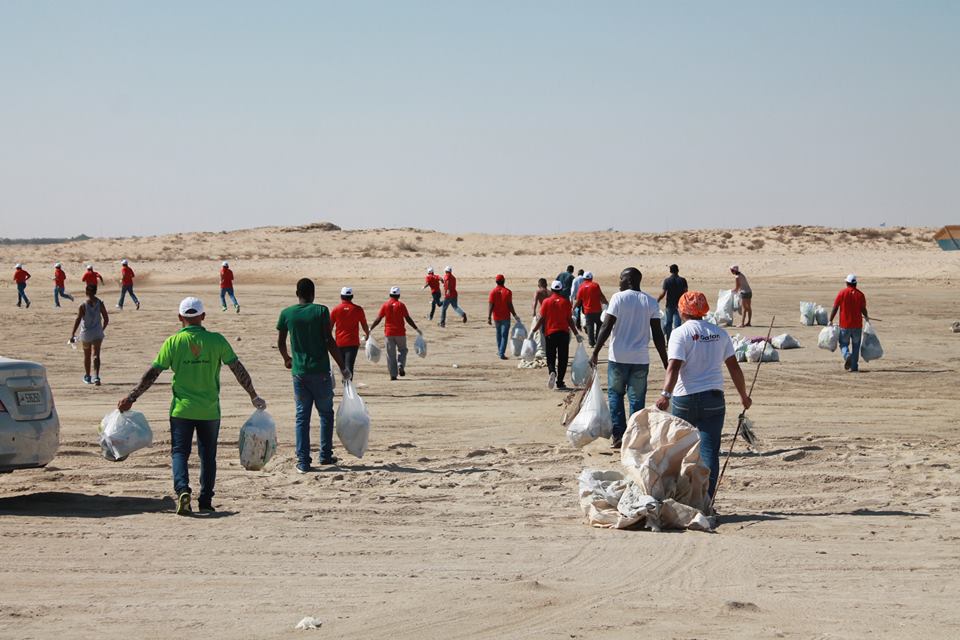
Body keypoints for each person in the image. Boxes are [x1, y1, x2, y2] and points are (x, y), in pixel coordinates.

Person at [117, 296, 266, 515]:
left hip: (182, 410)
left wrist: (132, 397)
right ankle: (205, 500)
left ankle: (182, 491)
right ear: (203, 316)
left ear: (180, 318)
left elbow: (153, 373)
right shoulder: (217, 340)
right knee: (208, 456)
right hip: (209, 410)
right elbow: (237, 369)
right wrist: (253, 395)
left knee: (179, 452)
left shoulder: (173, 342)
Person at [655, 291, 751, 499]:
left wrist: (665, 395)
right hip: (713, 400)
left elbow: (674, 367)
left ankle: (679, 496)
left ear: (682, 310)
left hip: (685, 399)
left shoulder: (680, 334)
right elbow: (734, 367)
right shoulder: (719, 333)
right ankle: (706, 499)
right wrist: (743, 396)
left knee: (679, 450)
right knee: (709, 452)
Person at [590, 267, 668, 448]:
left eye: (621, 279)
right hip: (640, 359)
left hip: (618, 358)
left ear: (630, 281)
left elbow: (606, 326)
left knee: (615, 395)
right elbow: (658, 334)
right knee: (637, 400)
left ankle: (618, 436)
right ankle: (634, 437)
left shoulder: (618, 298)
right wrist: (666, 360)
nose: (619, 282)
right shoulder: (651, 302)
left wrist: (595, 352)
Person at [278, 278, 350, 473]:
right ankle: (325, 454)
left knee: (302, 417)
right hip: (320, 372)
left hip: (299, 374)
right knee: (326, 414)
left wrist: (287, 359)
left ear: (297, 293)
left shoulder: (287, 314)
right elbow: (329, 341)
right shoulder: (321, 311)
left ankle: (303, 461)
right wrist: (343, 367)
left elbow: (281, 342)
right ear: (313, 294)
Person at [531, 280, 583, 390]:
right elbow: (569, 320)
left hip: (550, 333)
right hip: (563, 334)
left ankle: (552, 371)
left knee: (551, 356)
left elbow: (541, 319)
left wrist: (533, 331)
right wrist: (576, 334)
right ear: (561, 289)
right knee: (563, 358)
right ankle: (560, 382)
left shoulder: (546, 302)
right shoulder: (566, 302)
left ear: (552, 289)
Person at [369, 287, 422, 380]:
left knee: (390, 355)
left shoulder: (385, 305)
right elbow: (408, 319)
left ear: (390, 295)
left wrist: (370, 329)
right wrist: (416, 328)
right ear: (399, 295)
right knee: (403, 350)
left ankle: (393, 375)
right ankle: (400, 364)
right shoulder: (401, 305)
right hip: (400, 333)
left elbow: (378, 319)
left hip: (389, 333)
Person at [828, 274, 870, 373]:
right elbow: (863, 309)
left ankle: (847, 355)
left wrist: (830, 320)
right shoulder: (860, 295)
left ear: (847, 283)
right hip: (857, 326)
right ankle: (854, 367)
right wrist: (866, 316)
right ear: (855, 283)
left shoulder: (842, 293)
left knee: (843, 344)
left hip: (845, 325)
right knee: (856, 346)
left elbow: (835, 307)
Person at [70, 284, 109, 385]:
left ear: (86, 292)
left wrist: (73, 333)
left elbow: (78, 319)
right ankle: (96, 377)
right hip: (97, 332)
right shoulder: (100, 303)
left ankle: (88, 376)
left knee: (87, 355)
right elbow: (106, 319)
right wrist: (101, 329)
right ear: (95, 292)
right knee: (96, 355)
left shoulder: (83, 305)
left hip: (86, 334)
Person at [330, 286, 370, 378]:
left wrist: (328, 339)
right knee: (349, 365)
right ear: (352, 297)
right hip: (353, 342)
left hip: (339, 342)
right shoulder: (358, 309)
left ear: (341, 296)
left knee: (342, 366)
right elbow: (364, 324)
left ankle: (345, 383)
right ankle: (348, 384)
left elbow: (330, 326)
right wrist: (367, 334)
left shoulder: (336, 309)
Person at [487, 275, 522, 360]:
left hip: (496, 317)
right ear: (504, 281)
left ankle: (500, 351)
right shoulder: (508, 292)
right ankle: (501, 353)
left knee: (498, 334)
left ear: (496, 282)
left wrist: (489, 317)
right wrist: (515, 315)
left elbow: (491, 305)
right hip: (505, 317)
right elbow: (510, 305)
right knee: (504, 335)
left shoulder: (492, 292)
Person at [575, 271, 608, 347]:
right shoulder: (595, 285)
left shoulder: (581, 286)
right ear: (591, 278)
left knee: (590, 327)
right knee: (599, 325)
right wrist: (606, 302)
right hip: (597, 309)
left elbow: (578, 300)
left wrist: (573, 308)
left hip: (587, 311)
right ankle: (598, 340)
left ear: (584, 278)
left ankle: (591, 343)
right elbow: (601, 296)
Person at [657, 264, 688, 340]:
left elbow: (663, 293)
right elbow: (686, 293)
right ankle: (677, 340)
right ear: (678, 270)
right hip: (679, 305)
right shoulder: (683, 280)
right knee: (677, 325)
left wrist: (657, 300)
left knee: (668, 323)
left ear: (670, 271)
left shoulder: (667, 281)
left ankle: (668, 340)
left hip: (669, 305)